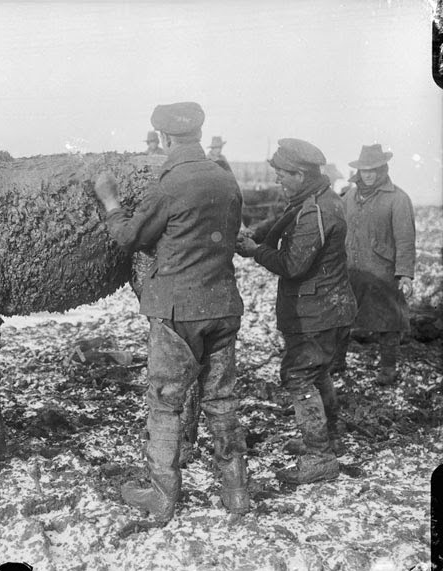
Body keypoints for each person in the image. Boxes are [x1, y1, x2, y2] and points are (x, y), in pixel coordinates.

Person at [92, 102, 249, 520]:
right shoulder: (226, 180)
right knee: (222, 400)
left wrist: (109, 201)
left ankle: (162, 496)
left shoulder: (169, 184)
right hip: (223, 306)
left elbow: (129, 236)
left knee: (165, 402)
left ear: (163, 139)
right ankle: (236, 492)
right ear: (199, 133)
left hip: (178, 311)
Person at [237, 138, 356, 484]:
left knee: (299, 376)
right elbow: (281, 223)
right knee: (317, 373)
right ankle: (329, 439)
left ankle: (319, 456)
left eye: (282, 175)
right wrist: (256, 236)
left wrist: (255, 251)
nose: (277, 180)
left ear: (301, 174)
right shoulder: (311, 200)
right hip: (326, 308)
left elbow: (292, 264)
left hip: (317, 311)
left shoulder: (316, 211)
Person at [332, 144, 415, 384]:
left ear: (382, 169)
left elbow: (406, 239)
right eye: (364, 170)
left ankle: (388, 369)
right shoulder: (349, 196)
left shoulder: (398, 199)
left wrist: (405, 274)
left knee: (388, 319)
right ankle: (337, 362)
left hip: (382, 272)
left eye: (373, 170)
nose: (368, 174)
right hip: (350, 269)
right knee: (341, 316)